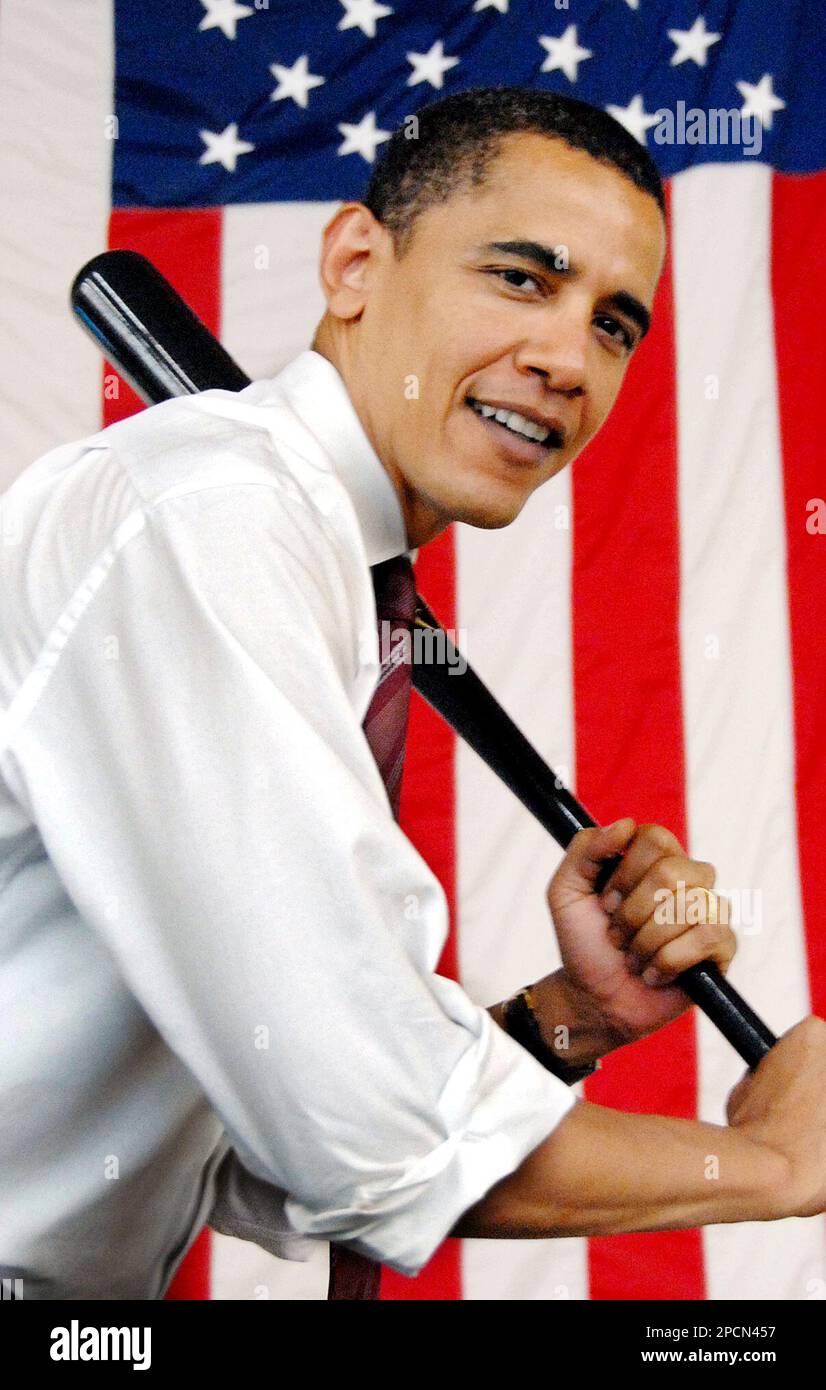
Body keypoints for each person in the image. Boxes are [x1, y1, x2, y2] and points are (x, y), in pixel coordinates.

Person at [1, 87, 824, 1303]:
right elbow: (363, 1137)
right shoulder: (212, 521)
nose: (564, 359)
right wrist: (765, 1161)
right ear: (353, 263)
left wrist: (573, 1016)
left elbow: (256, 1140)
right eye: (522, 278)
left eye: (612, 323)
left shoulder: (326, 567)